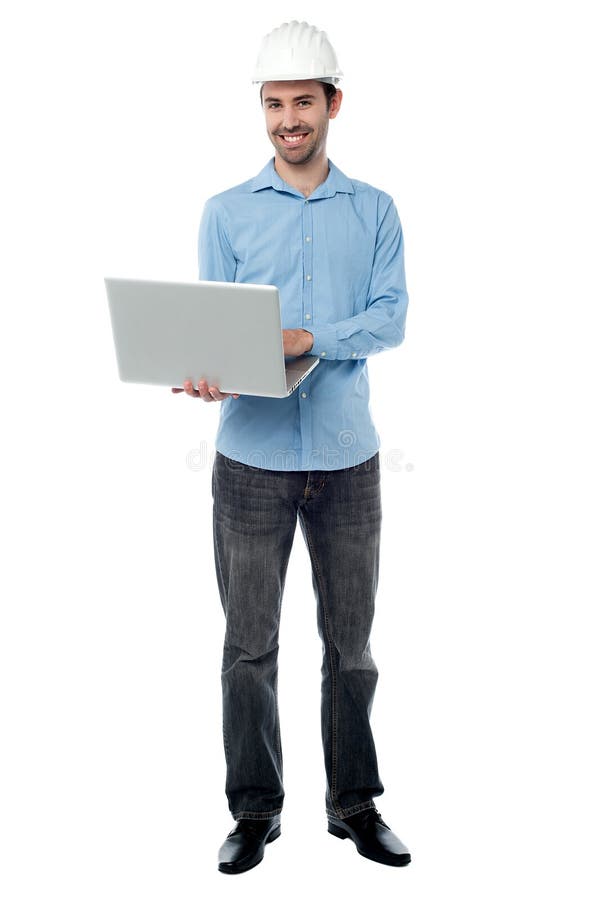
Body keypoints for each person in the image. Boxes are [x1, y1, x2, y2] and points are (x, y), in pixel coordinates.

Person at [172, 20, 411, 874]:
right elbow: (213, 329)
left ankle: (353, 803)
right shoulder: (225, 213)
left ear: (332, 104)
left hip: (348, 460)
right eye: (273, 104)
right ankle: (254, 811)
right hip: (250, 465)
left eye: (302, 102)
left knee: (350, 647)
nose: (287, 119)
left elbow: (390, 318)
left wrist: (310, 337)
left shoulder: (375, 209)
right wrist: (206, 371)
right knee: (247, 648)